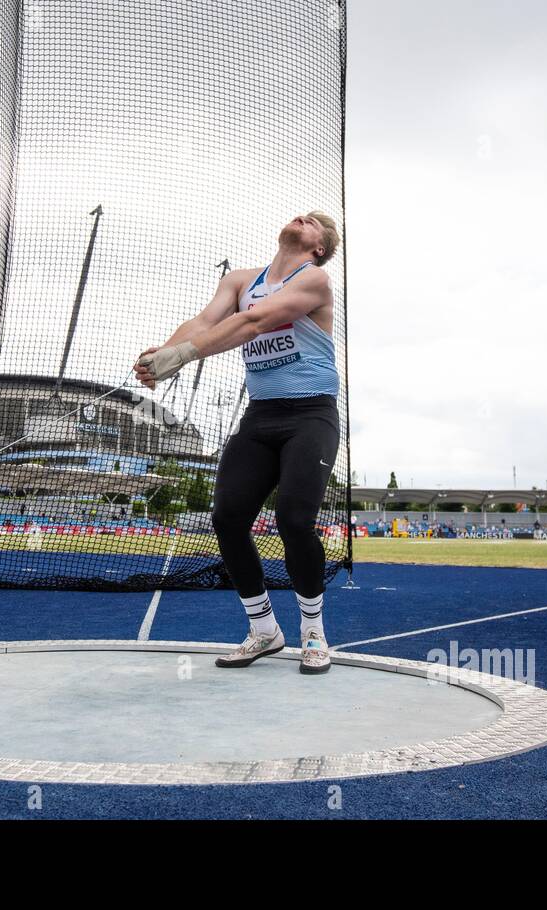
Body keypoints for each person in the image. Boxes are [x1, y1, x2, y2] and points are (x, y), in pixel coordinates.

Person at [136, 211, 341, 674]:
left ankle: (313, 631)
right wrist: (161, 352)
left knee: (293, 519)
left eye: (315, 223)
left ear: (319, 248)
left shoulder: (315, 281)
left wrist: (184, 356)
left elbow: (254, 323)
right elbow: (205, 320)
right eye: (301, 214)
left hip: (310, 414)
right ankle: (264, 630)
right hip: (261, 417)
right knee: (227, 518)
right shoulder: (241, 279)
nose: (303, 217)